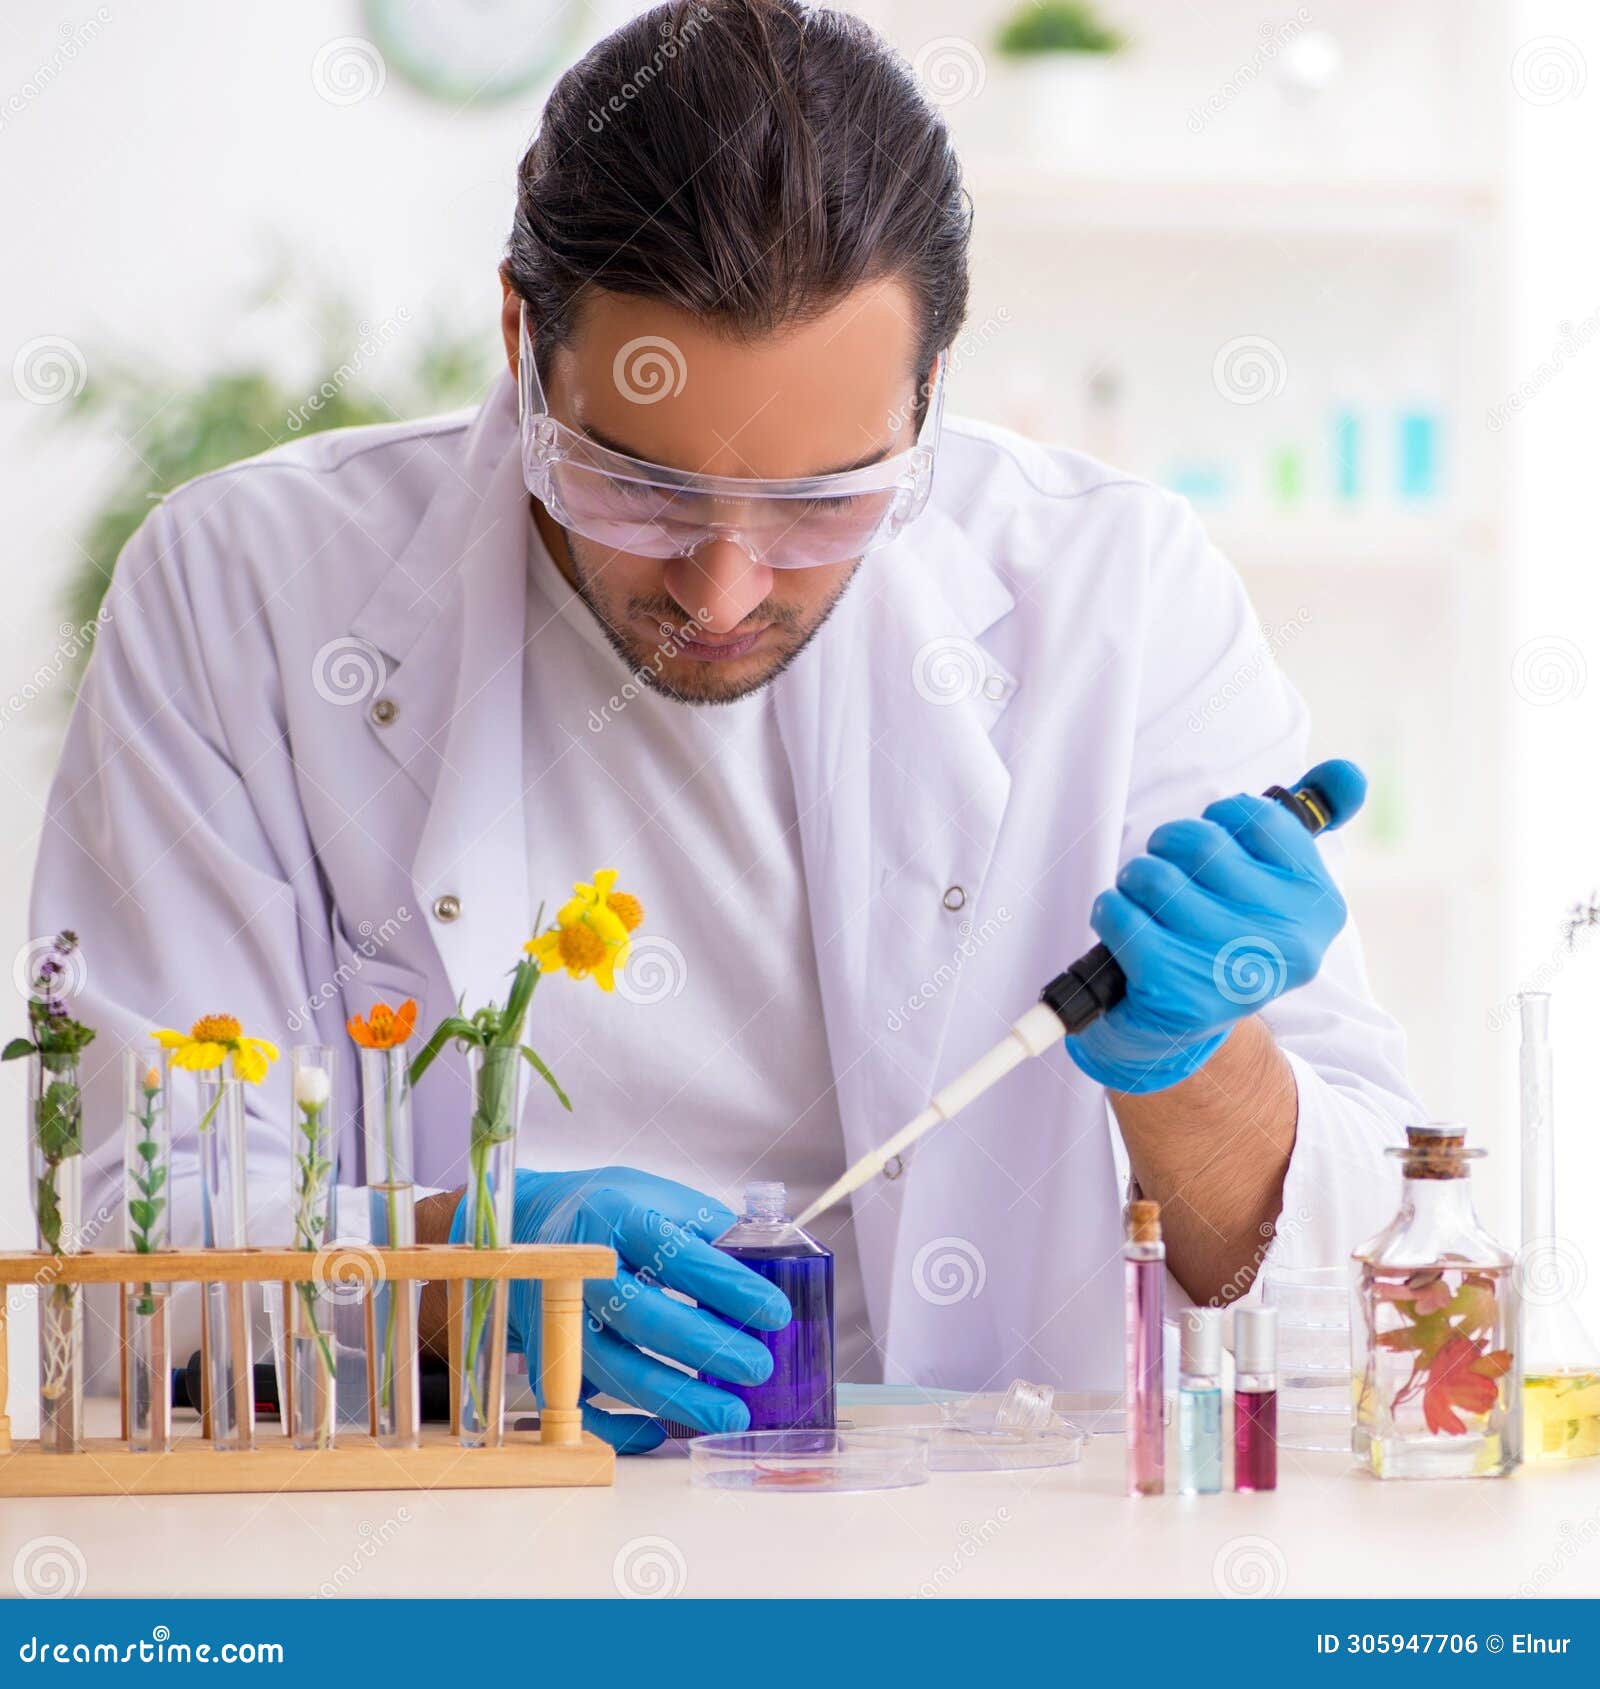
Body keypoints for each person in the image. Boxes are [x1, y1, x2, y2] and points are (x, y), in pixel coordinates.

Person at [33, 0, 1417, 1450]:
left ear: (929, 394)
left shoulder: (1116, 591)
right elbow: (130, 1229)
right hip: (474, 1530)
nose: (723, 584)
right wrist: (460, 1272)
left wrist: (1199, 1060)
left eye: (823, 502)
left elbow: (1371, 1284)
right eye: (641, 486)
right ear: (520, 338)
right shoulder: (246, 589)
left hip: (995, 1543)